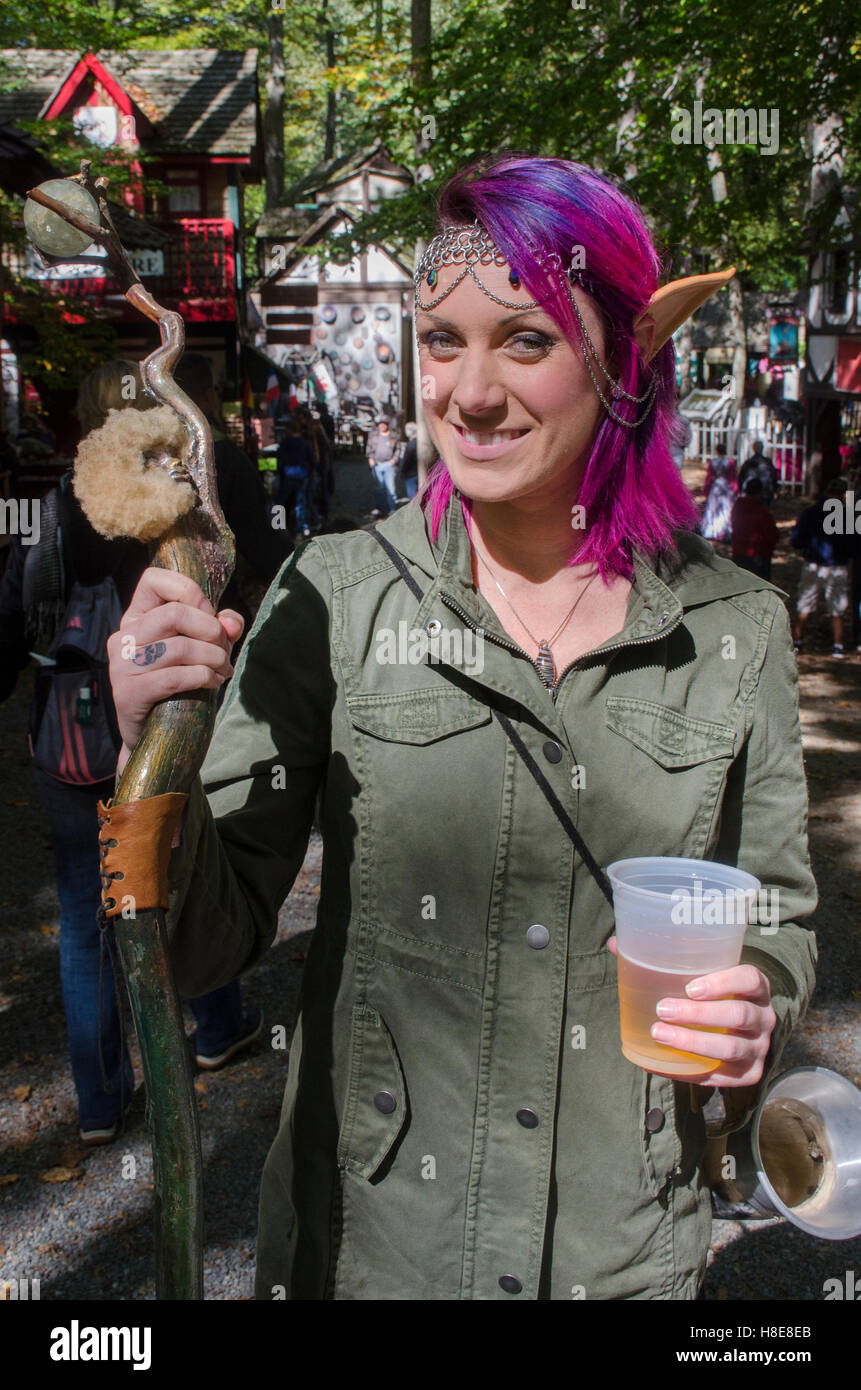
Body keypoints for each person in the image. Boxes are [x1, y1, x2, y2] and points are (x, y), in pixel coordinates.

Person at [108, 156, 817, 1300]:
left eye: (526, 342)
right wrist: (156, 742)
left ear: (620, 365)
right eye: (442, 340)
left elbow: (775, 912)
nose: (469, 392)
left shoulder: (738, 629)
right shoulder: (332, 595)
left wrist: (760, 1007)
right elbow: (200, 942)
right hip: (379, 1256)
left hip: (624, 1257)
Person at [0, 362, 267, 1147]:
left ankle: (100, 1099)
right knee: (174, 866)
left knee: (88, 915)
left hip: (63, 736)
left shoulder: (55, 506)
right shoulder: (186, 502)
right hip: (163, 716)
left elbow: (13, 618)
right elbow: (261, 573)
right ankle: (214, 1020)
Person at [790, 476, 858, 658]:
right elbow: (853, 545)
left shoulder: (809, 512)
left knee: (804, 603)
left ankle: (797, 641)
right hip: (837, 566)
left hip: (812, 564)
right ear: (843, 495)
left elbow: (796, 540)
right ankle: (838, 645)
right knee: (837, 607)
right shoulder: (847, 516)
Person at [729, 476, 779, 580]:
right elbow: (771, 535)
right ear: (760, 492)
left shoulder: (737, 506)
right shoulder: (762, 512)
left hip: (738, 553)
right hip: (758, 556)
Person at [277, 416, 315, 537]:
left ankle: (277, 527)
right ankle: (302, 528)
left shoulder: (284, 443)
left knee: (279, 501)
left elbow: (280, 459)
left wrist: (281, 471)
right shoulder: (304, 443)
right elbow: (312, 460)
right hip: (302, 475)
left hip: (288, 475)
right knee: (301, 503)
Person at [366, 414, 400, 516]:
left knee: (391, 488)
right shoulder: (374, 435)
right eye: (380, 423)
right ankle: (379, 508)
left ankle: (392, 509)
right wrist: (370, 459)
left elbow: (398, 449)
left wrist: (394, 460)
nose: (382, 425)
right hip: (376, 464)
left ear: (387, 425)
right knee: (378, 488)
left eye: (384, 423)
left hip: (388, 464)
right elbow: (369, 447)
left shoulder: (393, 436)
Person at [699, 457, 735, 545]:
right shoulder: (729, 461)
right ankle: (725, 530)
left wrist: (707, 490)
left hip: (716, 486)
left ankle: (712, 530)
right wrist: (733, 488)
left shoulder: (713, 462)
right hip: (725, 487)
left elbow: (709, 476)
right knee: (726, 508)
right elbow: (732, 476)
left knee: (713, 509)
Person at [737, 441, 779, 508]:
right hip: (765, 492)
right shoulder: (767, 462)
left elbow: (741, 478)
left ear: (753, 449)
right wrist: (775, 490)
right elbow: (774, 476)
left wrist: (740, 490)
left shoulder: (748, 463)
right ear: (762, 448)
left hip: (750, 493)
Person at [399, 421, 420, 500]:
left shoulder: (410, 444)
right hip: (421, 472)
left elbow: (406, 461)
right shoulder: (420, 442)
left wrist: (402, 472)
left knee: (413, 497)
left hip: (411, 474)